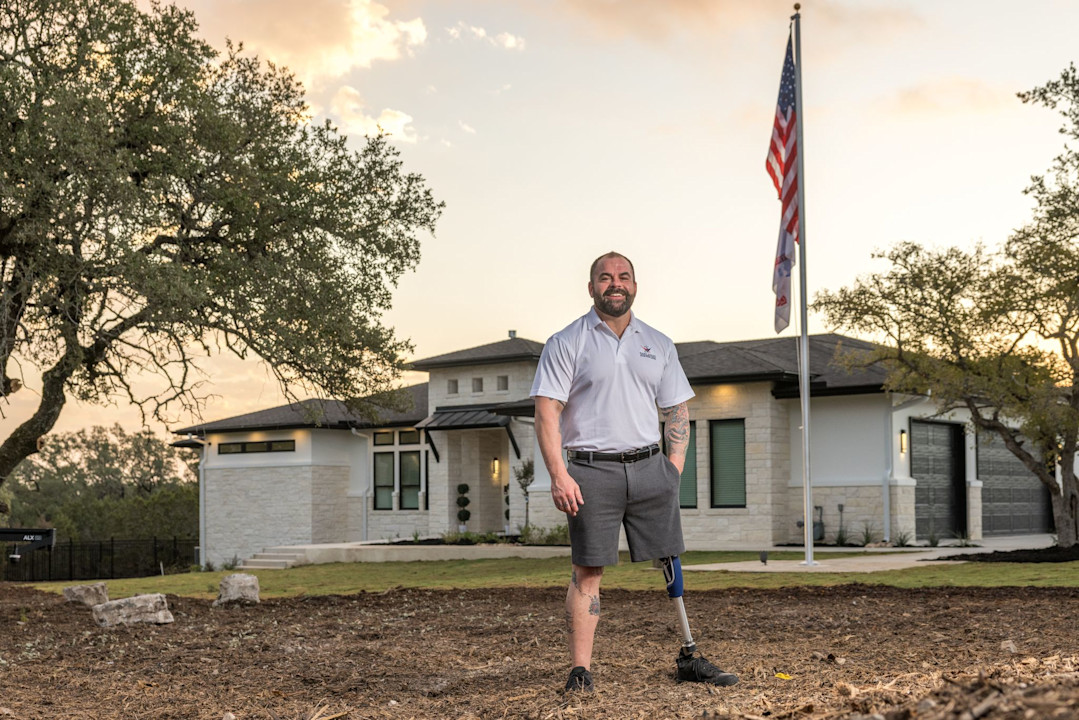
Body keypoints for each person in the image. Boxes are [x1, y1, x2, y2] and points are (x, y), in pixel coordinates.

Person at [530, 251, 739, 694]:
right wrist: (558, 474)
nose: (615, 284)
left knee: (669, 557)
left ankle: (689, 655)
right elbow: (547, 410)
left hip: (650, 467)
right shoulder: (566, 341)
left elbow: (676, 409)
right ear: (591, 288)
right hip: (591, 472)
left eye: (623, 276)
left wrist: (672, 470)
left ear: (635, 286)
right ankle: (580, 672)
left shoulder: (658, 343)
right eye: (605, 278)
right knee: (588, 571)